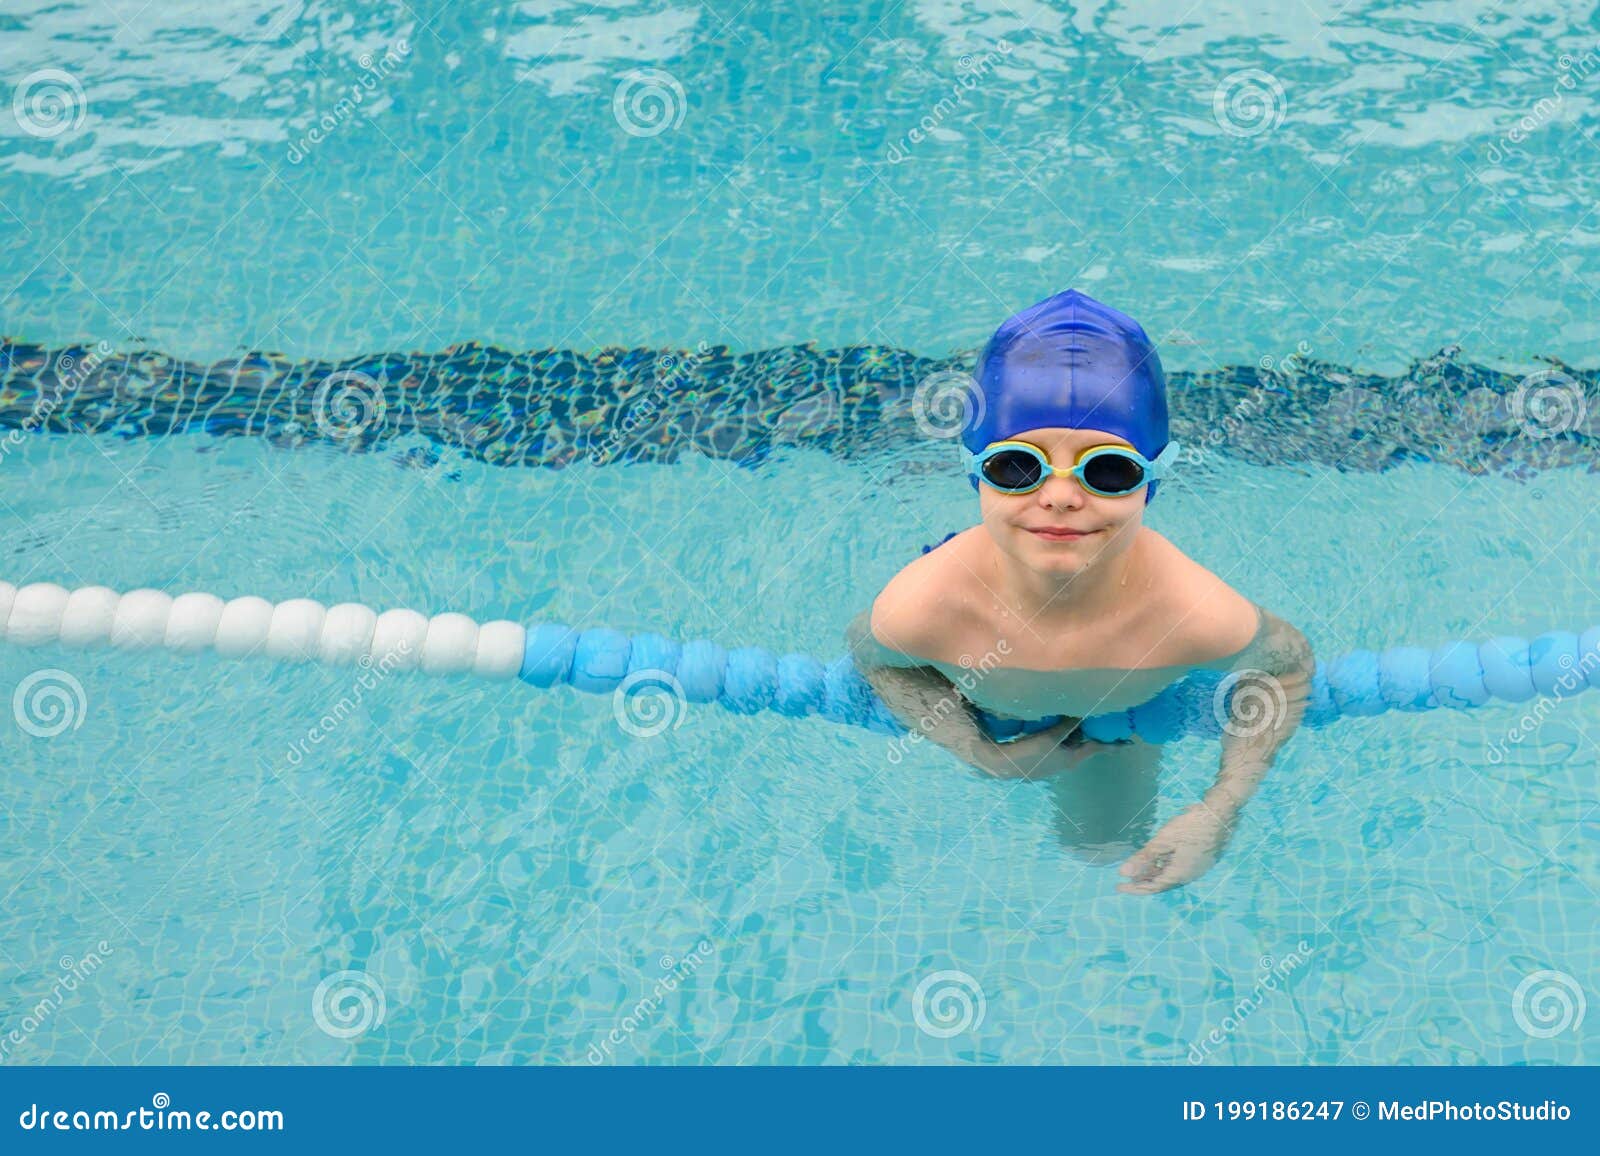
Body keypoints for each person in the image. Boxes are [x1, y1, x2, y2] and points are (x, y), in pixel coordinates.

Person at [848, 289, 1315, 894]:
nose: (1062, 496)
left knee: (1103, 845)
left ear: (1152, 483)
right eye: (1016, 466)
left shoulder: (1190, 615)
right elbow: (874, 658)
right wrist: (973, 747)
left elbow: (1287, 665)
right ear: (974, 473)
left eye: (1108, 469)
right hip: (991, 709)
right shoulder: (925, 609)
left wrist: (1220, 809)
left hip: (1121, 715)